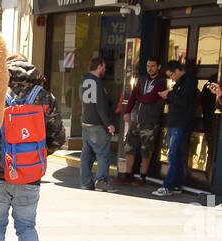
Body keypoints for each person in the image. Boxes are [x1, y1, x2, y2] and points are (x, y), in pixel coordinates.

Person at [0, 54, 65, 241]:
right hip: (30, 176)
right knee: (26, 227)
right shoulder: (44, 97)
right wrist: (37, 156)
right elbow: (59, 137)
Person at [153, 60, 198, 197]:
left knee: (173, 154)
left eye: (171, 75)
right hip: (174, 123)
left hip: (181, 124)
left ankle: (168, 185)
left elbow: (184, 101)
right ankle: (177, 184)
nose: (171, 78)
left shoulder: (189, 81)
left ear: (177, 70)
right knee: (175, 155)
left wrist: (169, 95)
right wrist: (167, 97)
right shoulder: (179, 83)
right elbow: (177, 99)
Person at [122, 56, 165, 184]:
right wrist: (127, 111)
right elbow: (133, 96)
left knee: (146, 150)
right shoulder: (142, 79)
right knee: (129, 147)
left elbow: (150, 99)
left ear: (158, 67)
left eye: (152, 66)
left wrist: (139, 96)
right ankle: (128, 174)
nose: (150, 69)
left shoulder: (161, 82)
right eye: (148, 66)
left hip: (150, 121)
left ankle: (143, 177)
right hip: (136, 119)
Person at [79, 54, 115, 191]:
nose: (104, 69)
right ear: (100, 66)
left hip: (86, 121)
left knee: (86, 154)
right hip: (98, 124)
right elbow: (100, 105)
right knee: (103, 153)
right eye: (104, 67)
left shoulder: (83, 80)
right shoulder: (97, 82)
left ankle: (85, 182)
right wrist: (109, 124)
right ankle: (101, 181)